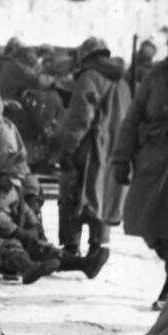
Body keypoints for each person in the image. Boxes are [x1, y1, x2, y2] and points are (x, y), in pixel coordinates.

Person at [56, 37, 131, 279]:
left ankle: (71, 248)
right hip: (112, 147)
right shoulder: (122, 81)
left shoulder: (89, 77)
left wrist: (68, 148)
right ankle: (98, 245)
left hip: (88, 148)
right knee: (101, 195)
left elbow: (80, 117)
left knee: (73, 193)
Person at [113, 56, 168, 309]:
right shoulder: (157, 75)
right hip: (154, 163)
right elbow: (132, 119)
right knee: (150, 228)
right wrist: (121, 160)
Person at [0, 171, 70, 282]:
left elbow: (25, 210)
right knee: (8, 248)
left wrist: (35, 226)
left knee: (40, 247)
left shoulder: (13, 191)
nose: (11, 184)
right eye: (9, 180)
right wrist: (16, 231)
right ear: (1, 176)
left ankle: (79, 263)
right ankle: (28, 267)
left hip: (12, 234)